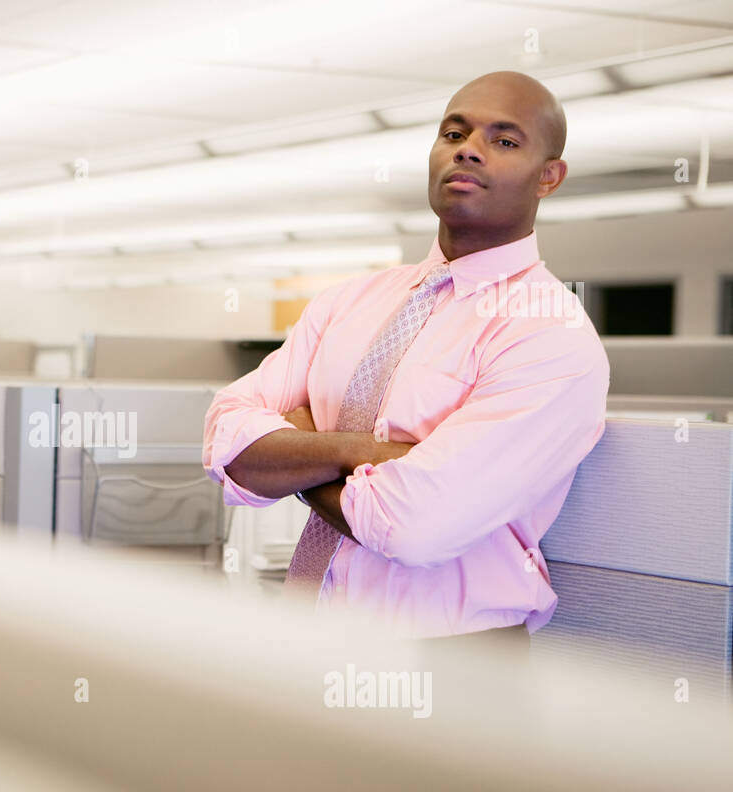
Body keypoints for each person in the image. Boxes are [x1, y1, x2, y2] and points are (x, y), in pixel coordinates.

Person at [202, 71, 609, 639]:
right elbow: (228, 445)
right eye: (453, 133)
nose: (468, 148)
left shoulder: (550, 335)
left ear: (549, 177)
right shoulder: (347, 302)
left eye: (504, 140)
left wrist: (297, 452)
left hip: (447, 665)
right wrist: (366, 451)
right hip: (305, 641)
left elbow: (414, 525)